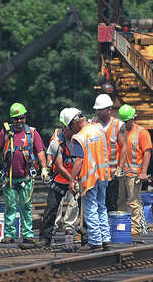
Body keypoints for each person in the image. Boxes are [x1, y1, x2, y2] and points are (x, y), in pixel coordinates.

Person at [0, 102, 48, 247]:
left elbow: (40, 152)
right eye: (16, 118)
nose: (19, 121)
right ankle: (9, 235)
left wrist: (44, 168)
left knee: (26, 207)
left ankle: (28, 235)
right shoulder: (5, 133)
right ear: (12, 119)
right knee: (10, 207)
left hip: (26, 177)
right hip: (9, 178)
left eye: (21, 118)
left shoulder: (32, 133)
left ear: (25, 117)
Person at [65, 109, 111, 251]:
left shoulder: (80, 137)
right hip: (103, 174)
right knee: (102, 207)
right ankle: (106, 240)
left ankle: (96, 242)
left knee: (91, 209)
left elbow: (79, 161)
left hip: (90, 178)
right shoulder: (99, 129)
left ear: (74, 123)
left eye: (70, 127)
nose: (71, 130)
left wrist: (72, 180)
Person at [39, 109, 82, 248]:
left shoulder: (80, 137)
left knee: (80, 206)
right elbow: (58, 166)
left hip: (77, 178)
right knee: (51, 208)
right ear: (64, 128)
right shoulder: (56, 141)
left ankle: (84, 237)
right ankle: (45, 238)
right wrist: (71, 180)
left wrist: (76, 181)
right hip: (62, 178)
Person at [116, 104, 152, 234]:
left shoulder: (141, 133)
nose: (124, 123)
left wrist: (143, 172)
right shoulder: (121, 132)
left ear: (133, 118)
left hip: (135, 174)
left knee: (134, 201)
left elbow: (147, 152)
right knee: (120, 201)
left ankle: (135, 227)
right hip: (122, 173)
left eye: (126, 121)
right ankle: (121, 226)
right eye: (122, 121)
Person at [91, 93, 125, 211]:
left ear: (109, 109)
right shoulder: (93, 123)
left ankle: (110, 228)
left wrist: (120, 167)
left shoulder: (118, 125)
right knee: (96, 204)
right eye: (97, 109)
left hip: (112, 173)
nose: (98, 112)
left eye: (101, 109)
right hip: (96, 173)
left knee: (111, 204)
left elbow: (124, 147)